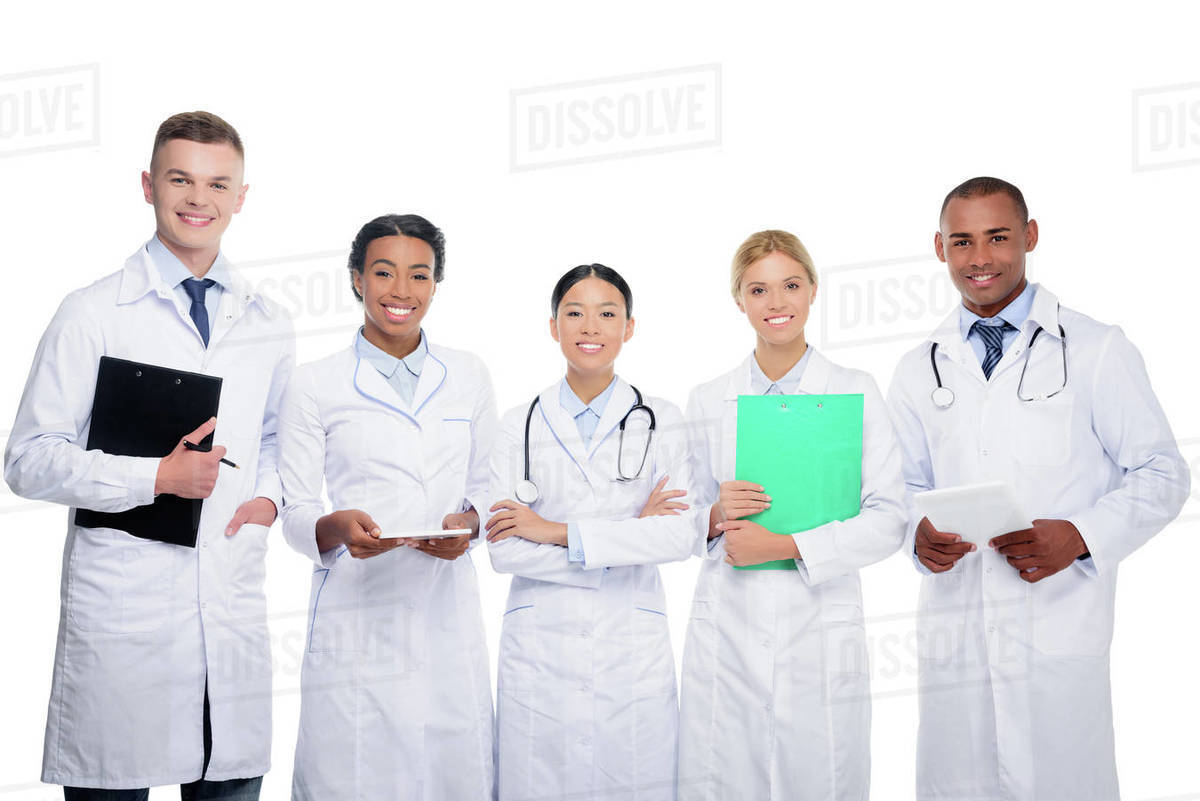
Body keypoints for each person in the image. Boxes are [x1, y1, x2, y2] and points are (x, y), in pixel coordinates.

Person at [3, 111, 294, 799]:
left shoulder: (269, 321)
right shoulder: (93, 312)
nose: (199, 199)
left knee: (227, 777)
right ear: (147, 185)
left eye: (218, 184)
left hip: (228, 602)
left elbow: (277, 438)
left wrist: (269, 498)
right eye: (180, 179)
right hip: (123, 617)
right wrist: (156, 476)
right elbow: (28, 459)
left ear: (241, 197)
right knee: (115, 780)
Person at [887, 176, 1190, 801]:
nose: (980, 258)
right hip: (959, 642)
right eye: (962, 241)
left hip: (1058, 632)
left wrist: (1080, 535)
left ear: (1029, 236)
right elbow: (900, 488)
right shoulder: (920, 367)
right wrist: (916, 536)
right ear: (940, 249)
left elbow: (1164, 473)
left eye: (998, 237)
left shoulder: (1097, 349)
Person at [676, 230, 907, 801]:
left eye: (790, 286)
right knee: (724, 776)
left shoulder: (855, 391)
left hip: (820, 623)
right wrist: (714, 515)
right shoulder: (708, 399)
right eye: (758, 289)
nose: (776, 303)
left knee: (820, 775)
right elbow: (683, 520)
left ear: (813, 291)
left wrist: (785, 547)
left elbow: (889, 517)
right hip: (730, 622)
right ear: (739, 300)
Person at [277, 214, 497, 800]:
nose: (402, 290)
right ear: (356, 279)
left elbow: (489, 488)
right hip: (358, 609)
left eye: (419, 275)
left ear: (435, 284)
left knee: (450, 772)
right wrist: (335, 527)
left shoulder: (469, 374)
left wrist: (468, 526)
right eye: (383, 272)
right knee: (354, 774)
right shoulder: (314, 383)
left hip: (445, 606)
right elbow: (296, 511)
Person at [485, 264, 695, 801]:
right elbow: (505, 551)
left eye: (607, 313)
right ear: (553, 326)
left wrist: (551, 530)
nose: (590, 327)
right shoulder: (517, 424)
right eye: (575, 313)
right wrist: (631, 534)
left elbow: (678, 537)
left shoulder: (663, 419)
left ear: (629, 327)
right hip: (542, 650)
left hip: (631, 648)